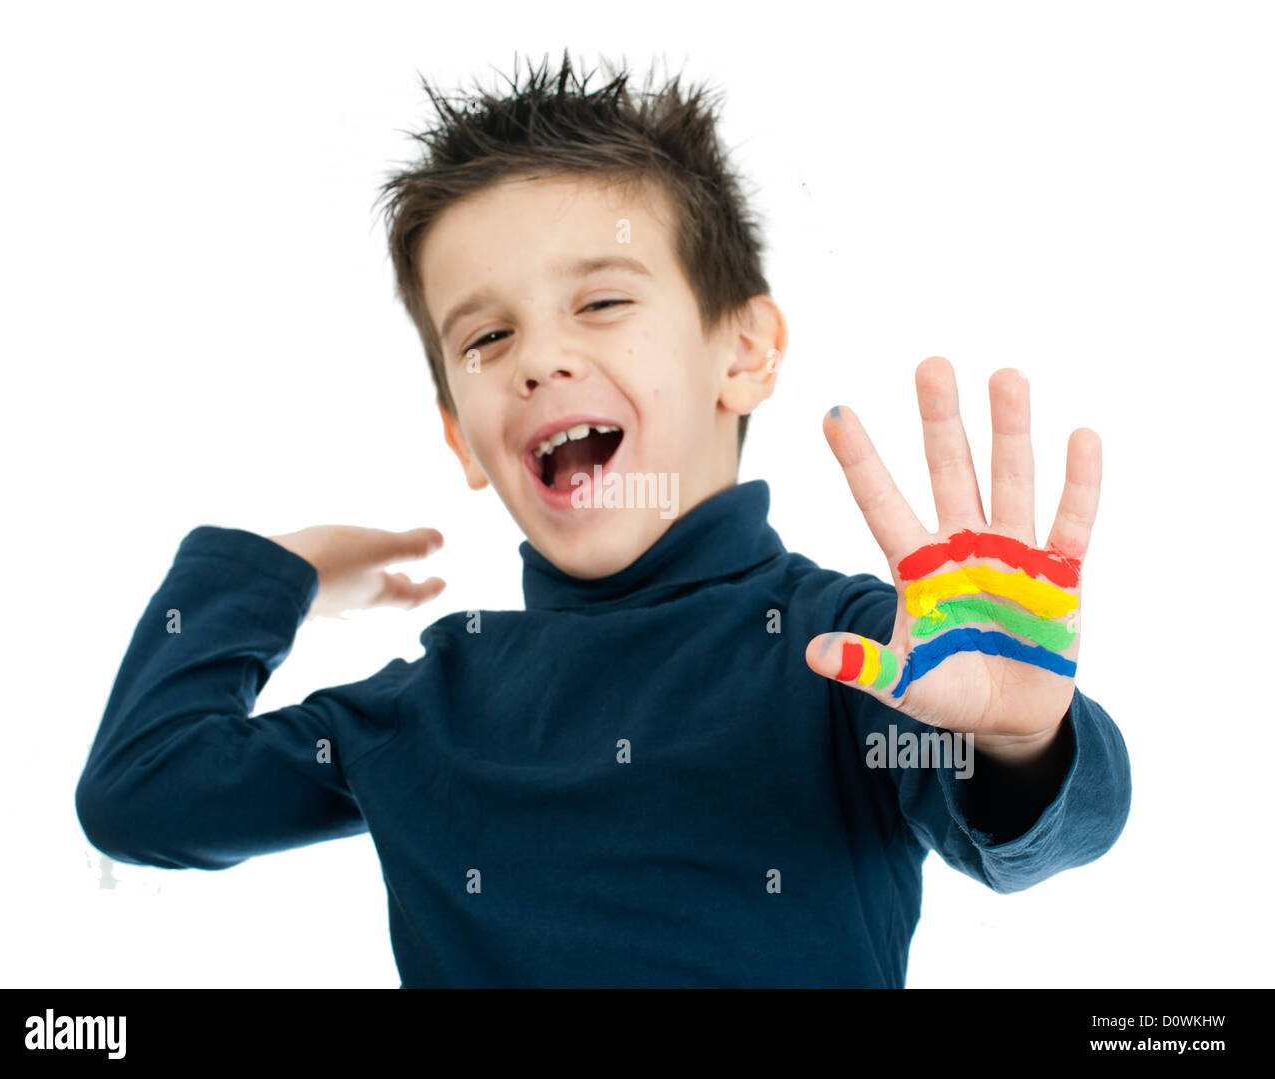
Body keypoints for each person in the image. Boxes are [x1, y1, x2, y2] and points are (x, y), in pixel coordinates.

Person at [75, 51, 1131, 987]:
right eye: (486, 336)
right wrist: (277, 568)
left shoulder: (847, 655)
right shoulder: (426, 705)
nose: (537, 356)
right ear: (460, 436)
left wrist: (1020, 737)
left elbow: (1034, 831)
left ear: (744, 350)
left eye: (602, 301)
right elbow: (141, 795)